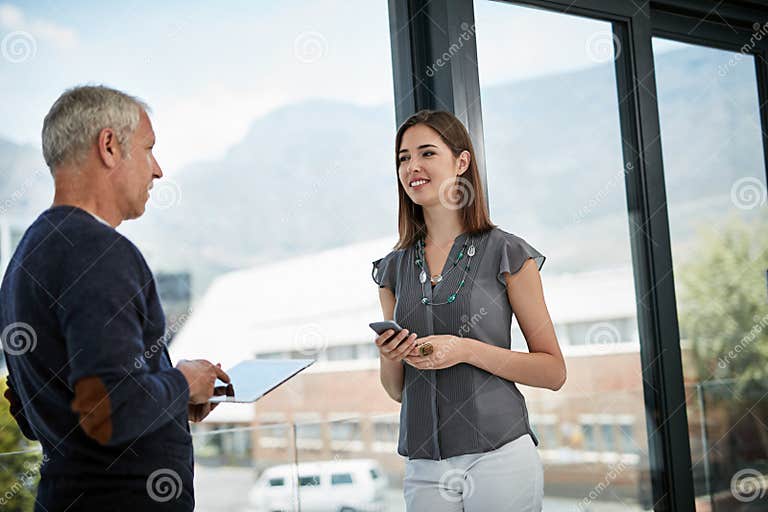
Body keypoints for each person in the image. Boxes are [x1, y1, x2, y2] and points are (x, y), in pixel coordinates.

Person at [0, 85, 229, 511]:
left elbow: (42, 415)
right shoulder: (100, 253)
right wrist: (185, 381)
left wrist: (171, 404)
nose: (158, 170)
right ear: (109, 146)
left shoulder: (24, 259)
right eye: (148, 149)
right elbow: (108, 410)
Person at [371, 110, 567, 511]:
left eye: (427, 153)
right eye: (403, 158)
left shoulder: (508, 253)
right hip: (423, 464)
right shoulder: (392, 269)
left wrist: (465, 350)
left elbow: (553, 372)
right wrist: (390, 356)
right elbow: (396, 390)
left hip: (498, 456)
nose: (413, 167)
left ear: (461, 163)